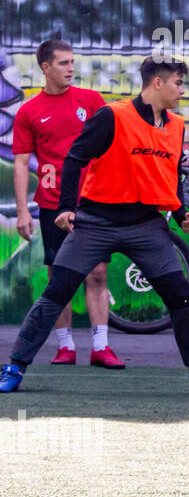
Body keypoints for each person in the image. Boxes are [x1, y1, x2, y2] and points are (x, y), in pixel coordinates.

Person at [1, 56, 189, 394]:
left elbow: (170, 176)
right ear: (156, 83)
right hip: (96, 222)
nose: (182, 90)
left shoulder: (177, 125)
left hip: (146, 225)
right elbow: (74, 159)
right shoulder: (113, 116)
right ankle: (14, 367)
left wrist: (178, 212)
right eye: (178, 83)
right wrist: (67, 208)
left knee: (182, 298)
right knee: (56, 292)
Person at [11, 39, 121, 367]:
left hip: (94, 202)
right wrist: (21, 212)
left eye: (72, 62)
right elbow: (20, 163)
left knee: (98, 272)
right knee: (59, 277)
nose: (70, 68)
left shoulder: (91, 101)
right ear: (46, 68)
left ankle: (101, 347)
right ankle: (65, 347)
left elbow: (113, 146)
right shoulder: (29, 111)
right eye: (62, 63)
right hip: (52, 205)